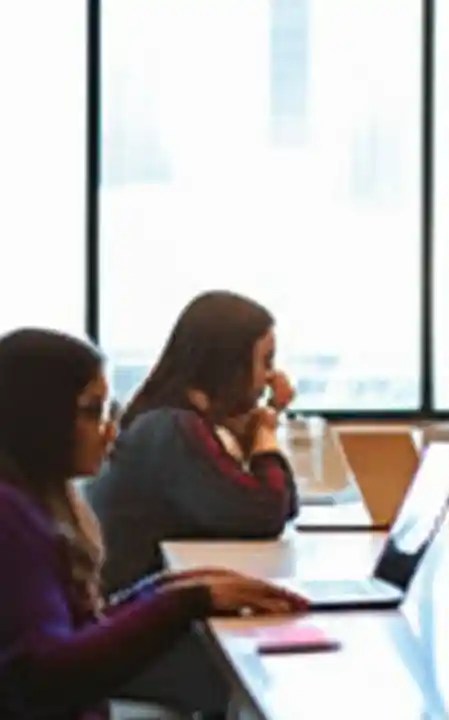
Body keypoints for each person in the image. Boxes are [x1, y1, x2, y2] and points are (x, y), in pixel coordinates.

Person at [0, 328, 306, 719]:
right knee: (225, 682)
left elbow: (75, 630)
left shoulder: (31, 500)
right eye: (93, 411)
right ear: (39, 417)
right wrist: (185, 602)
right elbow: (46, 676)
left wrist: (172, 589)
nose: (109, 430)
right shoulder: (9, 514)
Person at [84, 290, 299, 714]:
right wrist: (265, 434)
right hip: (122, 639)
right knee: (256, 671)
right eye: (266, 362)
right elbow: (265, 512)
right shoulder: (172, 429)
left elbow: (280, 504)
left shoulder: (179, 421)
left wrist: (257, 430)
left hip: (129, 623)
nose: (273, 378)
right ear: (232, 364)